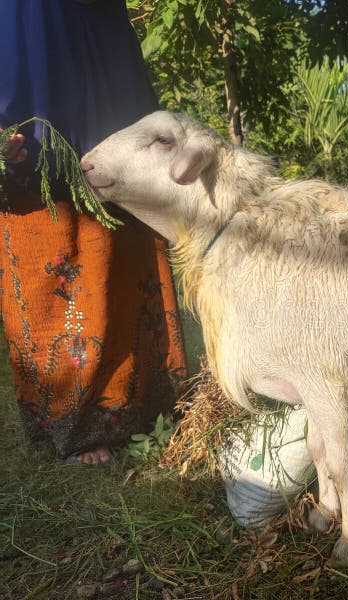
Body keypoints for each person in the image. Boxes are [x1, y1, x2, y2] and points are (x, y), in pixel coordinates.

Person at [0, 0, 187, 464]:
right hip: (31, 36)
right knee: (38, 171)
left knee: (125, 185)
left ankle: (145, 399)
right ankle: (77, 420)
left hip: (99, 36)